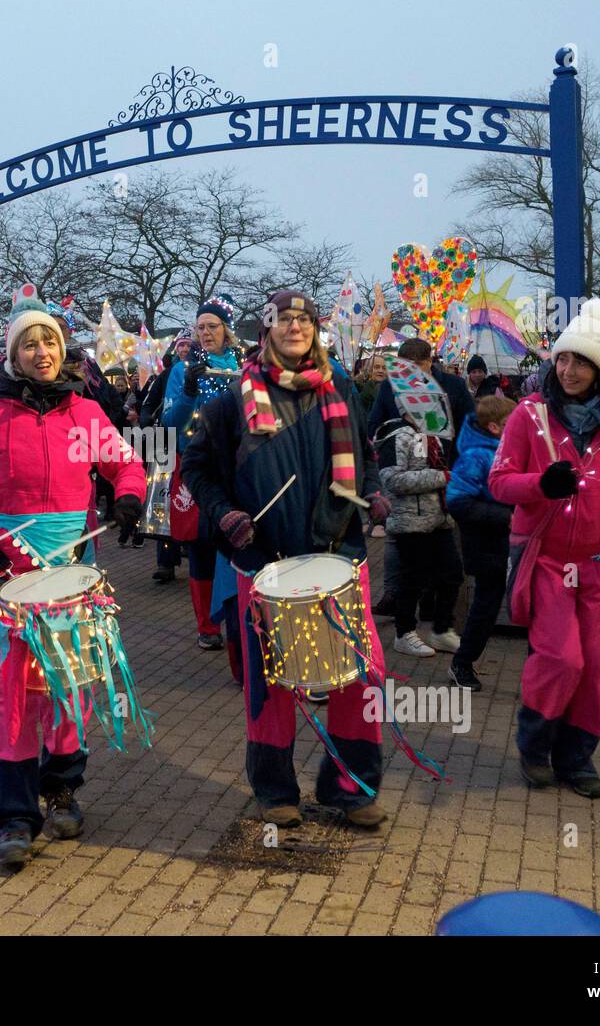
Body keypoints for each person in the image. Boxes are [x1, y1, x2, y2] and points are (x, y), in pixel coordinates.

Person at [0, 284, 144, 867]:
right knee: (9, 698)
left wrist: (127, 497)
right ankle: (15, 817)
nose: (41, 351)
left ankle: (62, 786)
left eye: (49, 340)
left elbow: (125, 464)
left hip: (73, 576)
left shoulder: (87, 412)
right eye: (29, 343)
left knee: (69, 691)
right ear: (13, 354)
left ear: (62, 349)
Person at [181, 289, 392, 828]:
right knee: (270, 683)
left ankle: (350, 786)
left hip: (339, 557)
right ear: (266, 329)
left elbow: (366, 454)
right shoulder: (234, 398)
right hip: (266, 563)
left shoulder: (339, 386)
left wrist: (375, 492)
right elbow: (197, 469)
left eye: (304, 320)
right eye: (284, 319)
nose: (295, 327)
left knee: (361, 677)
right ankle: (275, 790)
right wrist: (225, 514)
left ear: (315, 329)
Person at [490, 299, 600, 799]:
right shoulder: (528, 415)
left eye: (581, 361)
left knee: (599, 667)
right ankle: (535, 748)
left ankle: (576, 757)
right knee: (562, 659)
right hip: (547, 560)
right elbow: (498, 483)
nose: (568, 369)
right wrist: (542, 483)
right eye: (563, 358)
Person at [162, 295, 245, 653]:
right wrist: (189, 392)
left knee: (238, 541)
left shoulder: (243, 368)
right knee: (201, 546)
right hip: (196, 469)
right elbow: (169, 423)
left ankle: (237, 617)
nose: (206, 332)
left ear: (227, 329)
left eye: (213, 326)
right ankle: (207, 625)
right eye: (201, 327)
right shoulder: (183, 369)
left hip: (237, 468)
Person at [378, 371, 465, 659]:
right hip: (409, 522)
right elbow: (392, 480)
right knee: (412, 580)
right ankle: (404, 633)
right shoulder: (396, 436)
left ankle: (442, 629)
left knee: (451, 574)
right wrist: (441, 477)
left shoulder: (434, 436)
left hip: (439, 518)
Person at [445, 394, 517, 689]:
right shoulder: (477, 455)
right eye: (511, 424)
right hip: (485, 541)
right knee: (486, 604)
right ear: (494, 427)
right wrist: (504, 516)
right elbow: (458, 501)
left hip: (501, 539)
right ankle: (462, 663)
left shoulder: (500, 450)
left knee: (494, 601)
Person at [139, 329, 193, 583]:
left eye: (189, 345)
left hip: (193, 443)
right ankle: (165, 562)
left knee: (189, 500)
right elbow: (148, 403)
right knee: (163, 501)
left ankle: (194, 549)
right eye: (181, 345)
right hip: (165, 442)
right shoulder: (165, 375)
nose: (184, 349)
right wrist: (146, 419)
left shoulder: (201, 371)